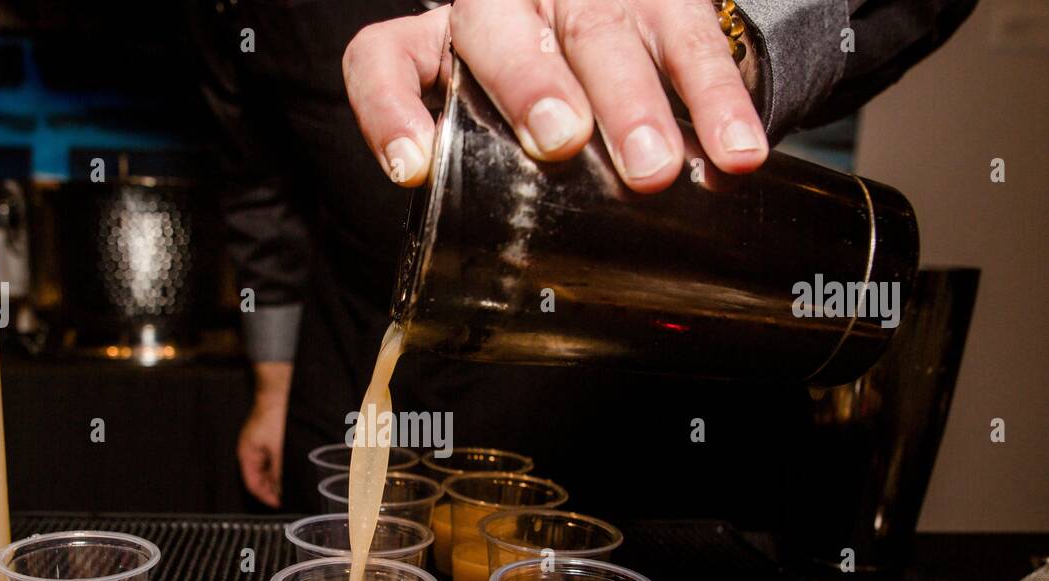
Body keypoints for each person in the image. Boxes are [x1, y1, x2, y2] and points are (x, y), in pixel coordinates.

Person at [200, 0, 974, 521]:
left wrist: (726, 26)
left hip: (596, 349)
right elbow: (260, 180)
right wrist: (272, 382)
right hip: (359, 333)